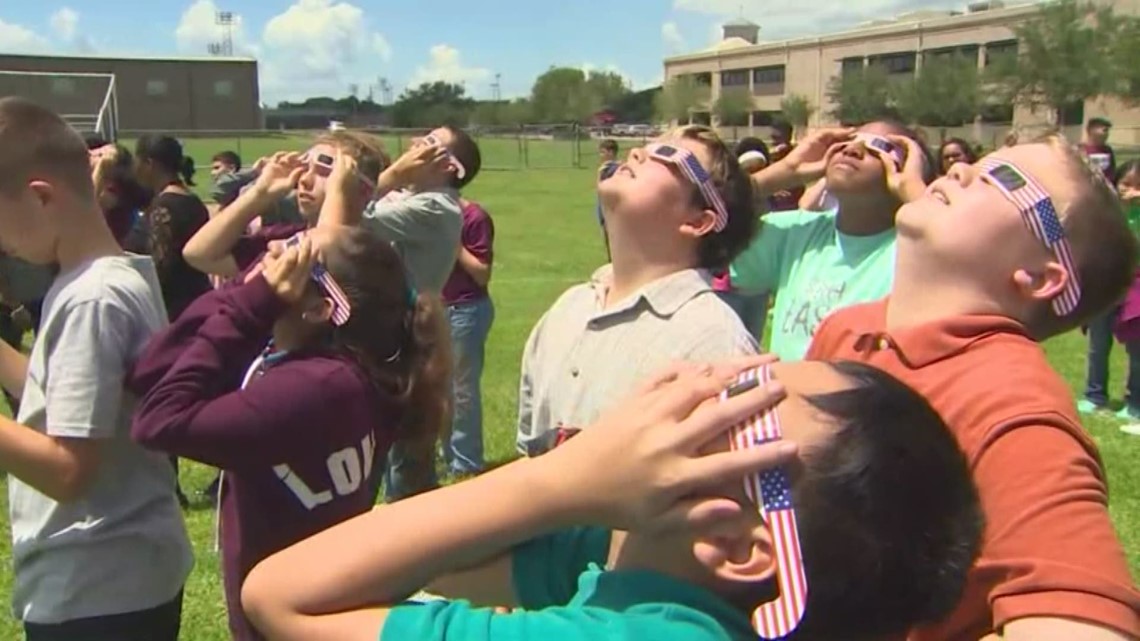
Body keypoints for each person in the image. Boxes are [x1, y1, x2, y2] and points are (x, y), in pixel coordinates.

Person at [240, 358, 983, 641]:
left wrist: (556, 482)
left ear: (742, 544)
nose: (706, 387)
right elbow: (410, 567)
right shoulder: (644, 565)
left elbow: (284, 597)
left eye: (739, 410)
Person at [806, 134, 1140, 640]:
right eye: (982, 161)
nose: (962, 171)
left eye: (1007, 180)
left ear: (1041, 276)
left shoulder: (1011, 407)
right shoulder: (847, 327)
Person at [127, 221, 447, 640]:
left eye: (297, 253)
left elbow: (157, 420)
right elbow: (154, 371)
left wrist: (249, 305)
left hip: (285, 617)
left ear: (319, 308)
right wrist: (248, 294)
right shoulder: (343, 375)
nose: (275, 248)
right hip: (312, 605)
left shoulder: (312, 390)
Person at [0, 97, 192, 640]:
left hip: (97, 587)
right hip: (122, 573)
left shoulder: (92, 300)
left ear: (40, 198)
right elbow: (52, 394)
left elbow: (68, 470)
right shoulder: (110, 275)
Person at [515, 125, 758, 457]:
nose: (637, 152)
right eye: (649, 145)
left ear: (698, 221)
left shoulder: (715, 342)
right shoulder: (568, 308)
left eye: (670, 156)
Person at [322, 125, 481, 500]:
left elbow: (348, 227)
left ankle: (426, 548)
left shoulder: (434, 208)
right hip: (388, 341)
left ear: (450, 167)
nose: (414, 146)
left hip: (405, 348)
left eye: (428, 145)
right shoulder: (410, 197)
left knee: (407, 473)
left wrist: (390, 176)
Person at [729, 120, 935, 361]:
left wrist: (915, 192)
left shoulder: (918, 253)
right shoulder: (797, 231)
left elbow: (978, 260)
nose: (851, 150)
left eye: (877, 148)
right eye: (845, 142)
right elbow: (700, 221)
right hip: (784, 395)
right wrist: (783, 172)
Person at [183, 131, 388, 281]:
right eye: (304, 169)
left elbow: (324, 259)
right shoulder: (280, 240)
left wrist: (338, 192)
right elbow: (199, 254)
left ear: (364, 191)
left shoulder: (371, 258)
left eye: (325, 173)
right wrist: (259, 194)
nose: (305, 180)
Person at [129, 134, 213, 322]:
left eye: (137, 161)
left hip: (175, 311)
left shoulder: (164, 207)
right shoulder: (193, 201)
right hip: (198, 301)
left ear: (149, 164)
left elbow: (161, 268)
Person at [440, 197, 495, 477]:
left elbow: (482, 274)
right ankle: (445, 453)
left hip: (465, 310)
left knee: (462, 391)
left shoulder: (474, 217)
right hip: (434, 309)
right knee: (438, 390)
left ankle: (466, 461)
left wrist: (452, 241)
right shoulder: (422, 211)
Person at [1085, 159, 1140, 423]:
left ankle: (1136, 406)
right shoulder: (1108, 211)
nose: (1130, 190)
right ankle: (1095, 396)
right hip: (1108, 284)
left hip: (1136, 287)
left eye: (1139, 186)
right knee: (1098, 344)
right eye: (1126, 184)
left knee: (1137, 350)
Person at [715, 137, 771, 340]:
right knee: (728, 342)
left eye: (760, 168)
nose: (756, 174)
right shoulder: (727, 201)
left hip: (758, 288)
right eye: (749, 168)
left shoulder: (767, 203)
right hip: (729, 286)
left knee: (752, 342)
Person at [767, 119, 803, 212]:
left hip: (788, 204)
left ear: (787, 137)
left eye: (776, 138)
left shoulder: (795, 155)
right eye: (772, 137)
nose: (773, 141)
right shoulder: (770, 156)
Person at [597, 139, 620, 260]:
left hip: (610, 211)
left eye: (603, 152)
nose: (601, 155)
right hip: (603, 210)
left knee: (613, 243)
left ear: (611, 153)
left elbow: (602, 188)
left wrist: (599, 174)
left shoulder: (613, 169)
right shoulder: (606, 168)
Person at [1081, 117, 1117, 184]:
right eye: (1104, 130)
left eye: (1108, 131)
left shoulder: (1108, 150)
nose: (1107, 134)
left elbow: (1112, 172)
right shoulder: (1079, 150)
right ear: (1091, 130)